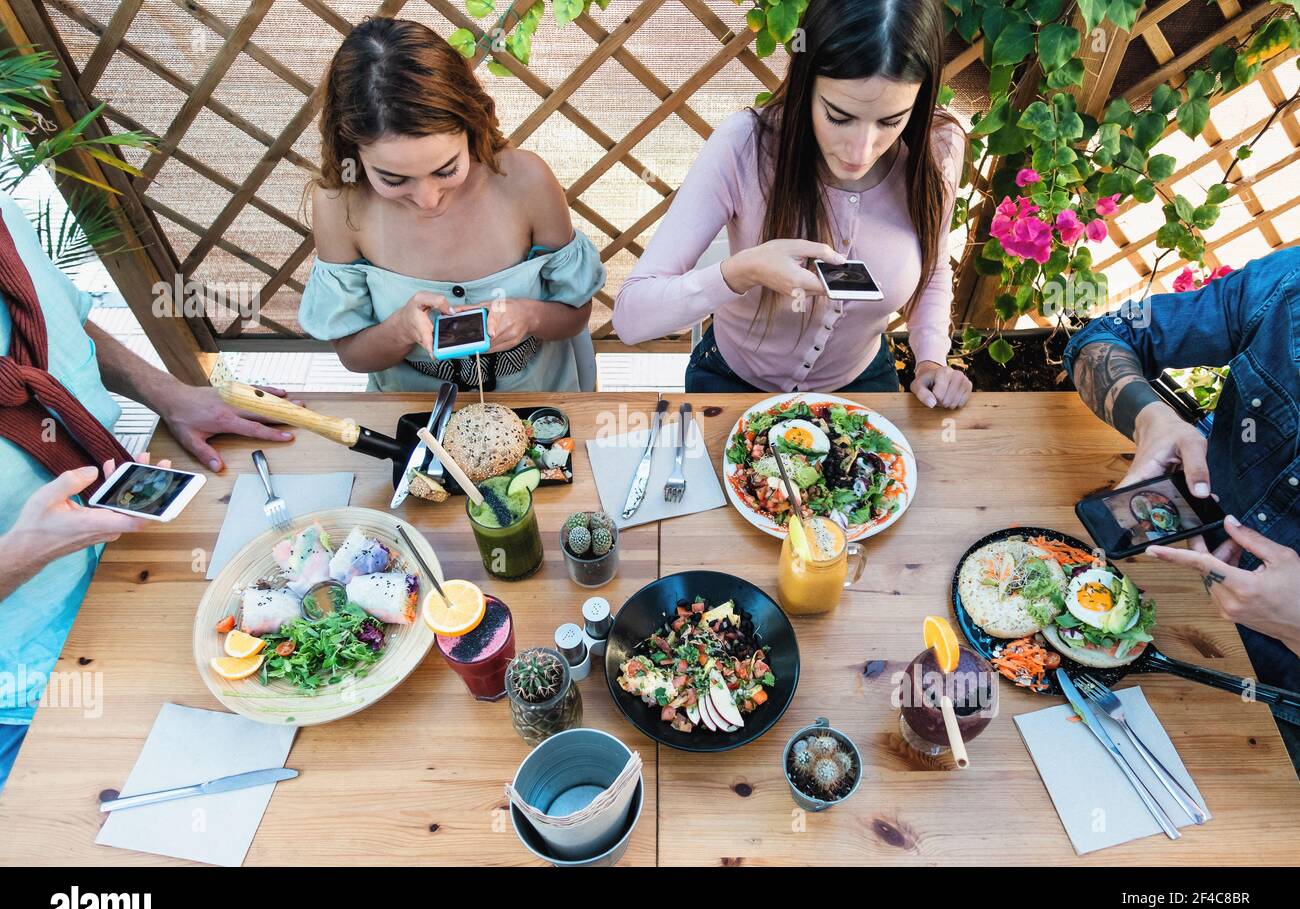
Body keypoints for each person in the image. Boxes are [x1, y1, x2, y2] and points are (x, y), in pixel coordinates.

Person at [0, 191, 295, 792]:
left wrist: (165, 392)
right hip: (31, 687)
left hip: (141, 562)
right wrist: (21, 555)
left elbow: (59, 318)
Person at [612, 0, 972, 408]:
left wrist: (930, 360)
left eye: (891, 121)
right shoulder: (745, 145)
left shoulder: (938, 149)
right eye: (839, 116)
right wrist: (740, 272)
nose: (861, 150)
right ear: (806, 83)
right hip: (731, 384)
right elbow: (631, 316)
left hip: (861, 385)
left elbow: (935, 267)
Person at [1064, 246, 1300, 761]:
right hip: (1166, 582)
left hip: (1279, 705)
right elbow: (1104, 338)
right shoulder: (1286, 284)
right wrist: (1152, 418)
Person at [300, 17, 606, 393]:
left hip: (540, 398)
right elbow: (352, 355)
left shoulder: (526, 180)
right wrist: (399, 330)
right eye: (394, 180)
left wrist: (531, 316)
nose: (427, 200)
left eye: (447, 169)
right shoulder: (339, 206)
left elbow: (576, 313)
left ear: (472, 124)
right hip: (411, 414)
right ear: (352, 152)